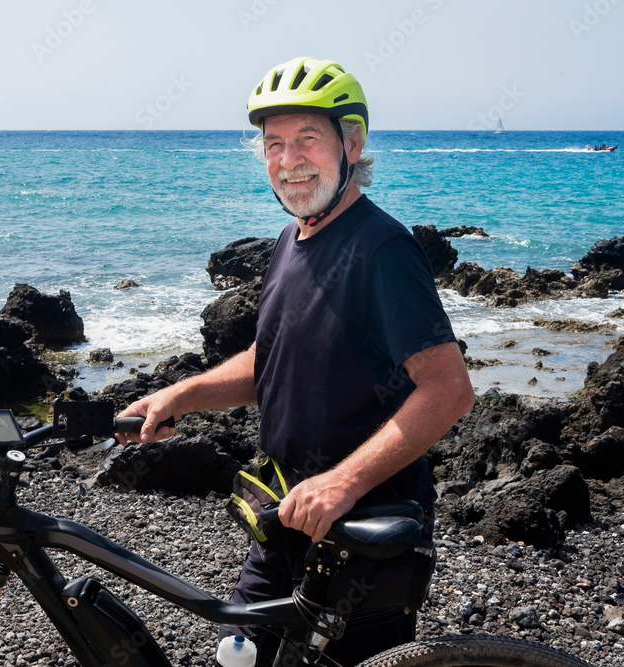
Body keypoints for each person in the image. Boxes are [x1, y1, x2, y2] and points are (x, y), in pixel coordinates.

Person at [117, 56, 475, 664]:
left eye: (308, 139)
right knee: (240, 655)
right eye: (274, 144)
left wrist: (342, 481)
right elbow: (272, 357)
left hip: (360, 530)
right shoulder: (293, 238)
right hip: (285, 513)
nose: (289, 160)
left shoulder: (382, 248)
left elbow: (447, 389)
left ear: (352, 143)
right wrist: (182, 394)